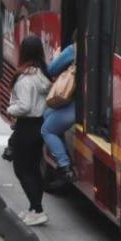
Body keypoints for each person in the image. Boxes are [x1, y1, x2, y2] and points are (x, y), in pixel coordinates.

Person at [6, 35, 51, 226]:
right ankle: (33, 208)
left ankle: (38, 210)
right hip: (39, 125)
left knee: (21, 169)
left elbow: (24, 106)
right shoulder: (42, 75)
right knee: (33, 168)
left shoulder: (25, 79)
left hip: (26, 126)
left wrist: (10, 109)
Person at [42, 42, 76, 182]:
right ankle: (65, 154)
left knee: (47, 130)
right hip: (82, 101)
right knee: (48, 114)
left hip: (76, 103)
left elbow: (51, 70)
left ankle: (65, 167)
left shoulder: (73, 49)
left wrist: (55, 57)